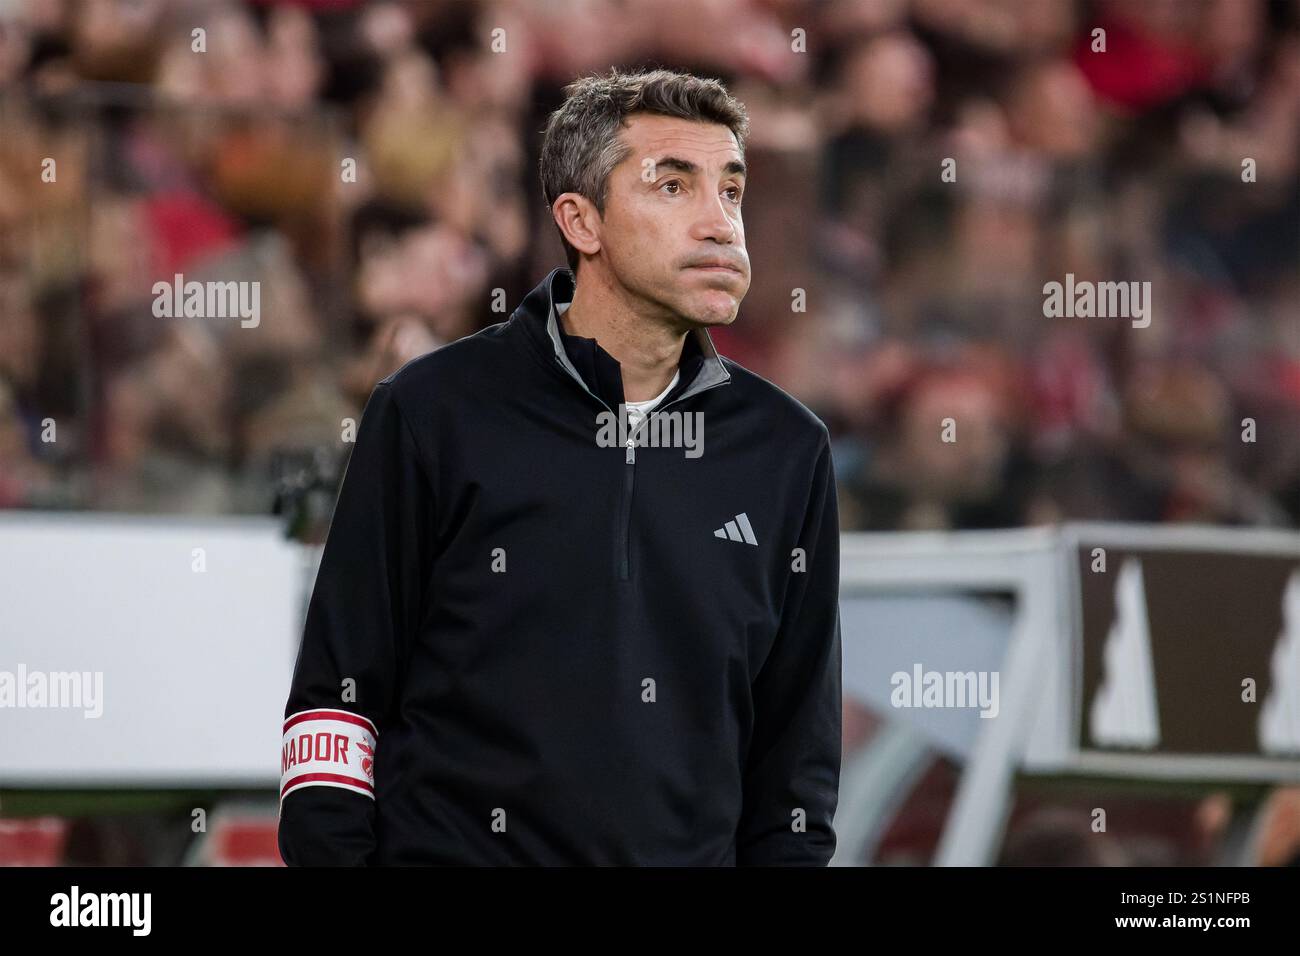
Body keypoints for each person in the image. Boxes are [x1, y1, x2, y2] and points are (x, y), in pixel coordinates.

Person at [277, 67, 842, 866]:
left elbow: (797, 768)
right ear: (582, 220)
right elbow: (336, 705)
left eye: (732, 190)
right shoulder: (433, 412)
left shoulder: (787, 450)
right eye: (674, 187)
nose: (721, 224)